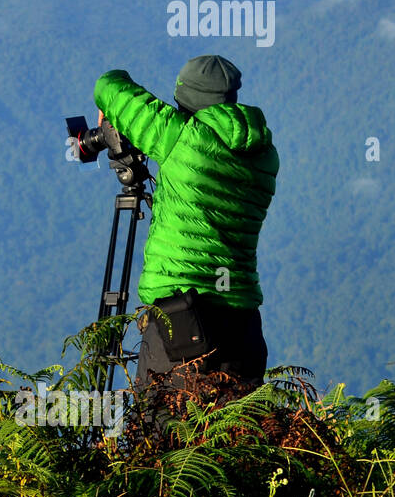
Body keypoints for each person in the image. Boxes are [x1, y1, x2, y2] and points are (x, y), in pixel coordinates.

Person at [92, 55, 279, 392]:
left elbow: (109, 84)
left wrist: (112, 118)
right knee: (238, 435)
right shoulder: (265, 153)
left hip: (181, 324)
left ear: (186, 99)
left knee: (166, 434)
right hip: (243, 323)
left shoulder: (181, 138)